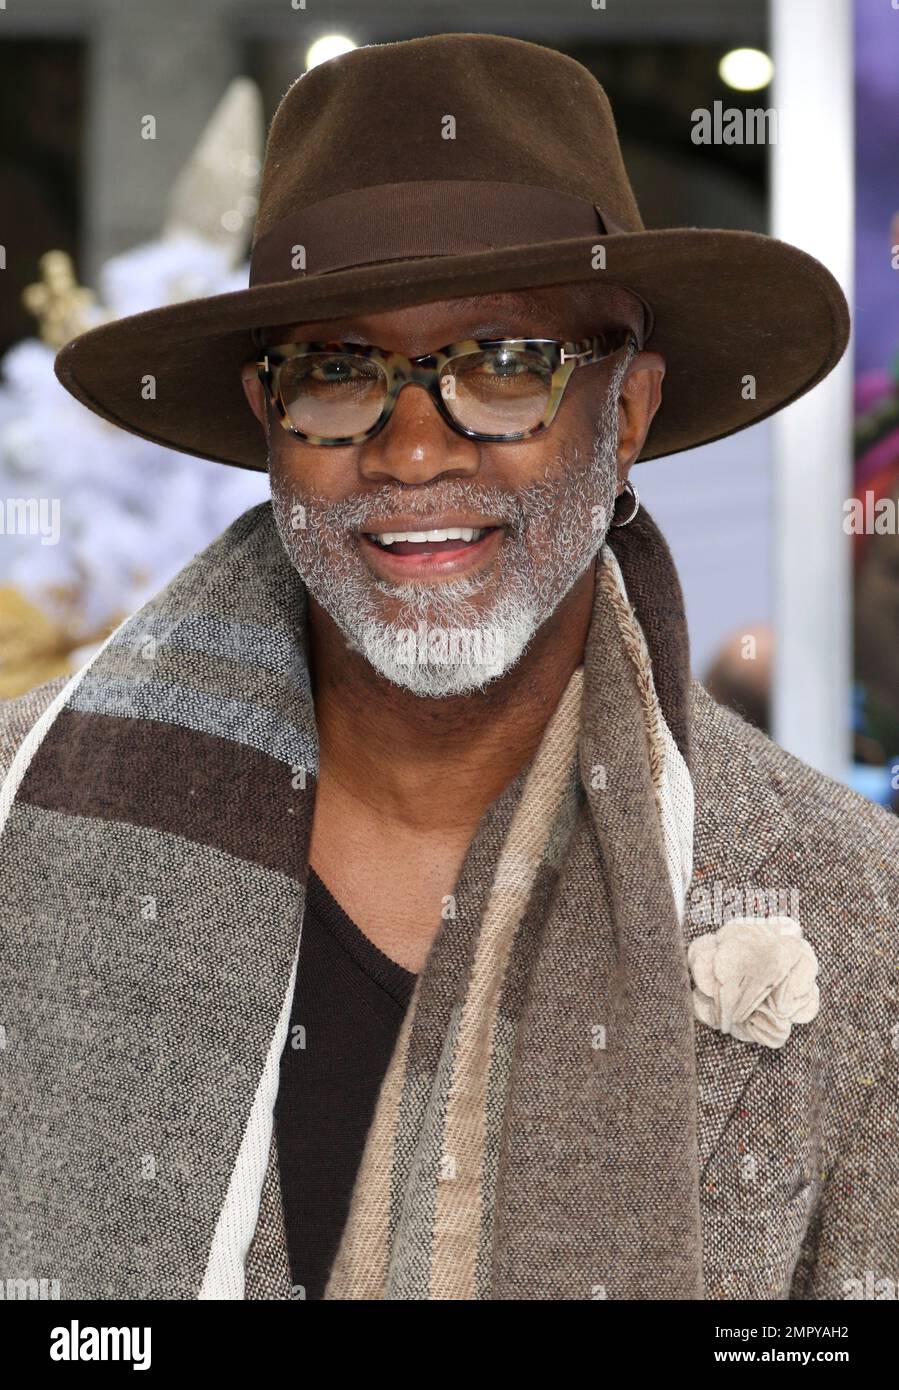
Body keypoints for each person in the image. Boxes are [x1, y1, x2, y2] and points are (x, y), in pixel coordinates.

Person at [1, 32, 896, 1302]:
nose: (413, 452)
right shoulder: (18, 813)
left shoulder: (851, 913)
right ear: (270, 419)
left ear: (627, 413)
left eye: (505, 364)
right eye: (337, 370)